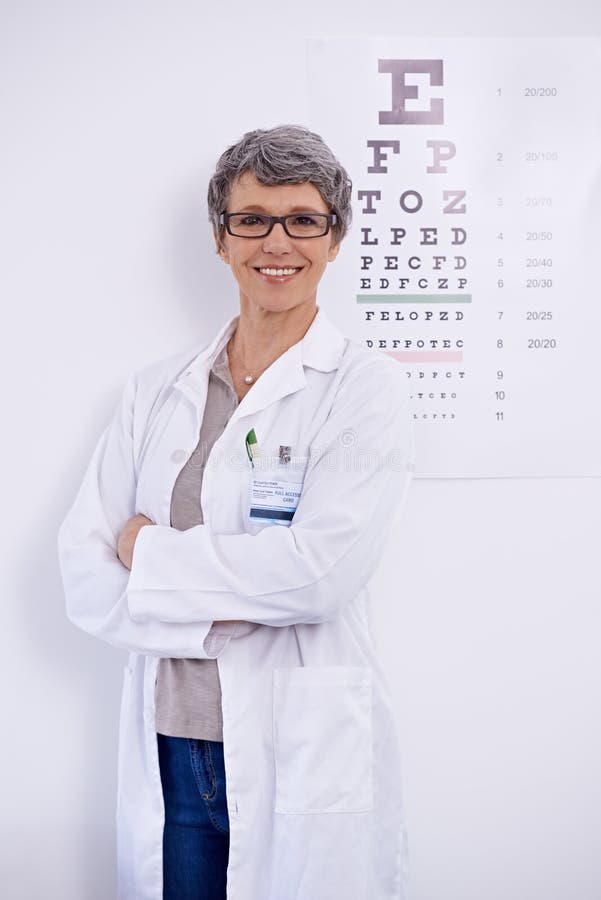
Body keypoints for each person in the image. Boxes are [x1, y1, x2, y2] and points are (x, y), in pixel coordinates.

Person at [57, 124, 414, 900]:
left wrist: (149, 555)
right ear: (221, 240)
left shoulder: (363, 389)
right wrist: (227, 609)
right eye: (251, 219)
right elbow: (83, 569)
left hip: (298, 740)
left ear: (334, 237)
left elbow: (318, 577)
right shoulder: (155, 391)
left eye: (302, 219)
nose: (274, 242)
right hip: (172, 746)